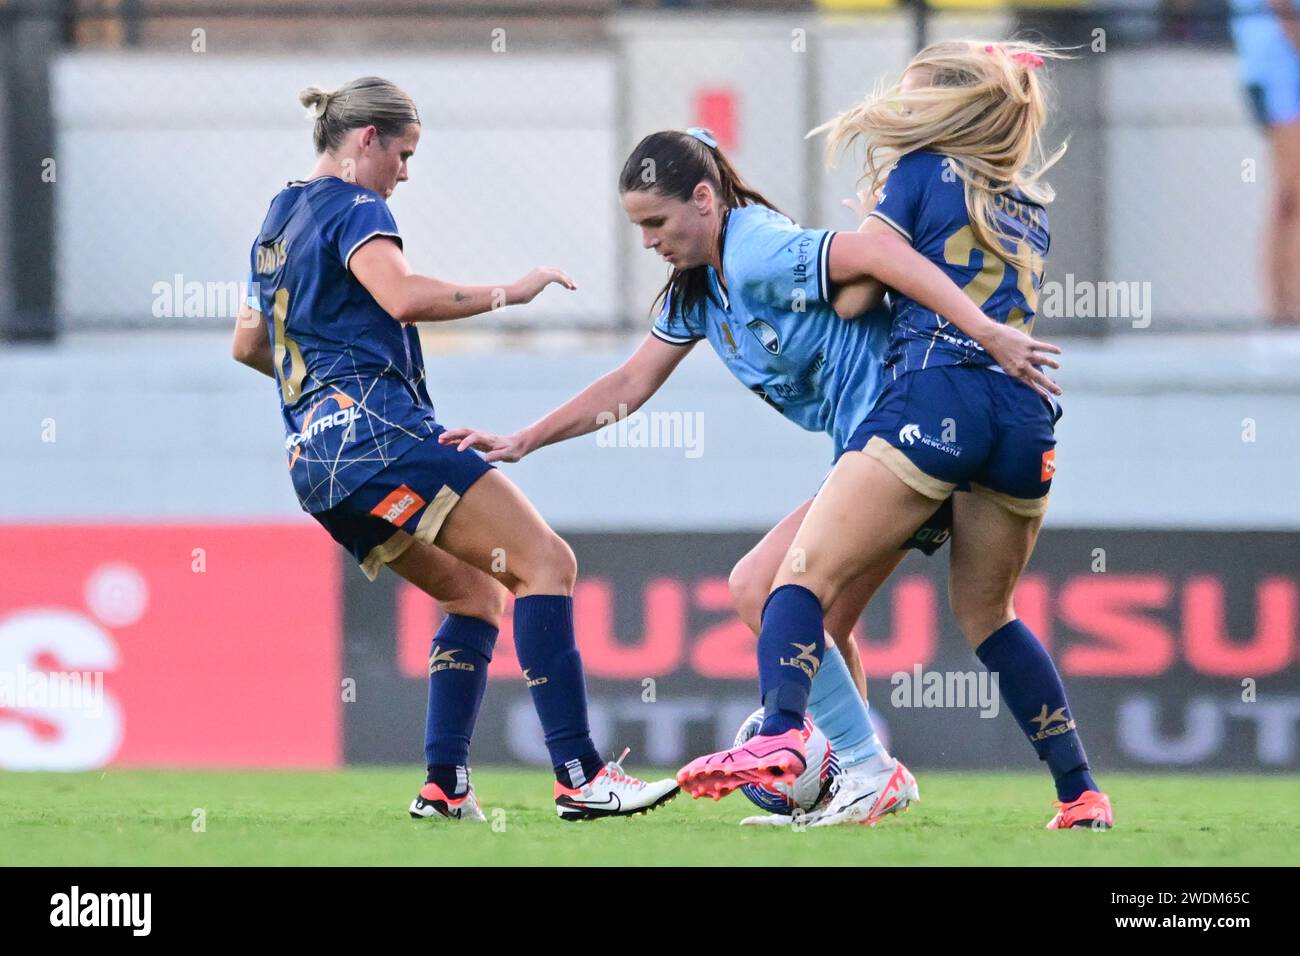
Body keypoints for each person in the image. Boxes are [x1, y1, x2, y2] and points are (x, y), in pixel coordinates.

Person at [442, 125, 1038, 826]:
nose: (648, 241)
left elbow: (877, 251)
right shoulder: (698, 291)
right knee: (822, 628)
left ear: (704, 199)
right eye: (637, 227)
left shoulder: (757, 248)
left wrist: (984, 327)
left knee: (762, 587)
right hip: (872, 449)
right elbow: (630, 382)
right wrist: (525, 439)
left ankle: (868, 769)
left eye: (657, 222)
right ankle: (853, 784)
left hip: (904, 441)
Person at [677, 40, 1114, 830]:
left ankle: (778, 739)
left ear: (945, 108)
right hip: (1023, 415)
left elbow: (849, 305)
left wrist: (873, 237)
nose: (900, 110)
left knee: (794, 584)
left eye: (913, 98)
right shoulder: (1025, 205)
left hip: (933, 398)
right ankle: (1080, 793)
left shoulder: (917, 175)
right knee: (990, 615)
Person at [230, 76, 678, 822]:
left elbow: (251, 344)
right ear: (365, 140)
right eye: (403, 154)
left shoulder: (276, 221)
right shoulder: (355, 204)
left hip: (315, 462)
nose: (405, 172)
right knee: (548, 565)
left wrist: (324, 369)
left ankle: (444, 786)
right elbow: (403, 297)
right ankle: (582, 776)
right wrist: (512, 292)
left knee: (473, 595)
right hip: (381, 435)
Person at [1229, 0, 1300, 324]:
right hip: (1279, 68)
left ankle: (1282, 310)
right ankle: (1283, 310)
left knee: (1287, 197)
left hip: (1275, 66)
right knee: (1291, 195)